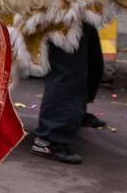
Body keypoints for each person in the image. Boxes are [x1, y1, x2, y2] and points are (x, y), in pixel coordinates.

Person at [30, 24, 106, 165]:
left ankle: (73, 114)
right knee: (68, 69)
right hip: (60, 9)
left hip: (82, 7)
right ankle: (49, 138)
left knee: (92, 62)